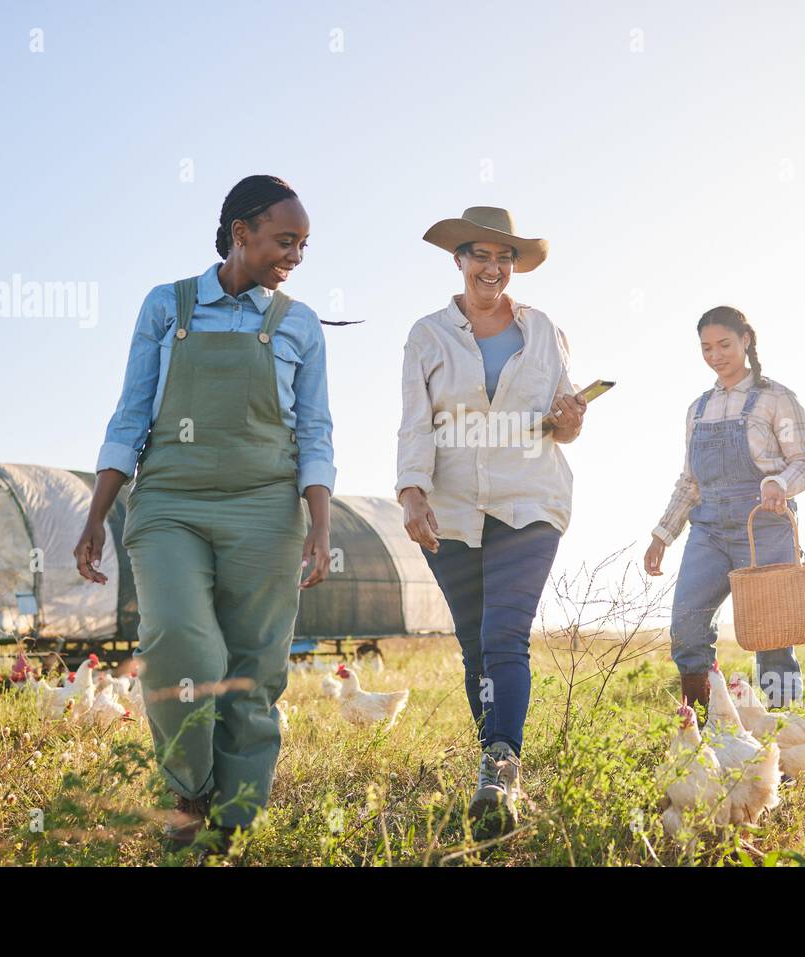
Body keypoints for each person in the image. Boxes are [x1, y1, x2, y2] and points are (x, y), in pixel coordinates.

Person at [74, 174, 336, 854]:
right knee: (183, 647)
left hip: (266, 508)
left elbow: (315, 432)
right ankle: (189, 787)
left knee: (255, 667)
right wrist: (96, 514)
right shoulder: (168, 306)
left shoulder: (299, 324)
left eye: (304, 244)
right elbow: (130, 415)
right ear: (239, 232)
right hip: (170, 504)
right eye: (285, 239)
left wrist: (322, 525)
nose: (295, 255)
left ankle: (235, 817)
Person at [397, 206, 587, 837]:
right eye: (480, 255)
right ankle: (493, 767)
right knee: (474, 643)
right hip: (448, 507)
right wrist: (411, 493)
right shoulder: (428, 334)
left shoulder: (544, 331)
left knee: (505, 634)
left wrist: (572, 420)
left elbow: (564, 418)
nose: (493, 268)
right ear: (459, 261)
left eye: (504, 257)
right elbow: (415, 422)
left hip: (528, 500)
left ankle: (502, 762)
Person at [644, 306, 805, 713]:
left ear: (746, 340)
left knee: (773, 636)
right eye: (706, 348)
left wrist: (779, 484)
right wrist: (662, 535)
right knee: (687, 628)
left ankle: (782, 741)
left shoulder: (777, 399)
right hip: (708, 532)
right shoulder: (698, 408)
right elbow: (691, 481)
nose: (715, 355)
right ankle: (705, 728)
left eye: (724, 344)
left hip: (765, 529)